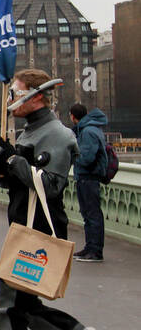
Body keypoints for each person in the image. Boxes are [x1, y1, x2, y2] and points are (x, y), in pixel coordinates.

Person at [0, 70, 117, 330]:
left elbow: (50, 185)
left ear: (36, 96)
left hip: (38, 229)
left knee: (10, 305)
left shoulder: (55, 134)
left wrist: (14, 161)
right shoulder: (33, 131)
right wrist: (3, 166)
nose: (10, 100)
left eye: (16, 93)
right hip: (25, 226)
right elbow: (19, 181)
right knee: (23, 305)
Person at [69, 102, 107, 263]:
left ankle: (95, 251)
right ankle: (90, 248)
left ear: (73, 116)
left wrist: (73, 155)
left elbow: (87, 157)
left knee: (92, 214)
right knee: (89, 214)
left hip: (88, 177)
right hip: (86, 177)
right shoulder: (89, 129)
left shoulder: (88, 132)